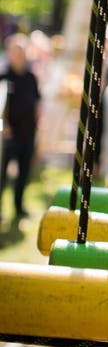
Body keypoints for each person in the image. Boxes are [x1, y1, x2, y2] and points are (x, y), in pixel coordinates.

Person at [0, 33, 41, 221]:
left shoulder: (31, 76)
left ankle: (19, 206)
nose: (18, 56)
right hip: (8, 134)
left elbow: (37, 102)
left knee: (24, 173)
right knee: (2, 174)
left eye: (21, 52)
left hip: (28, 132)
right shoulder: (3, 75)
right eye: (15, 52)